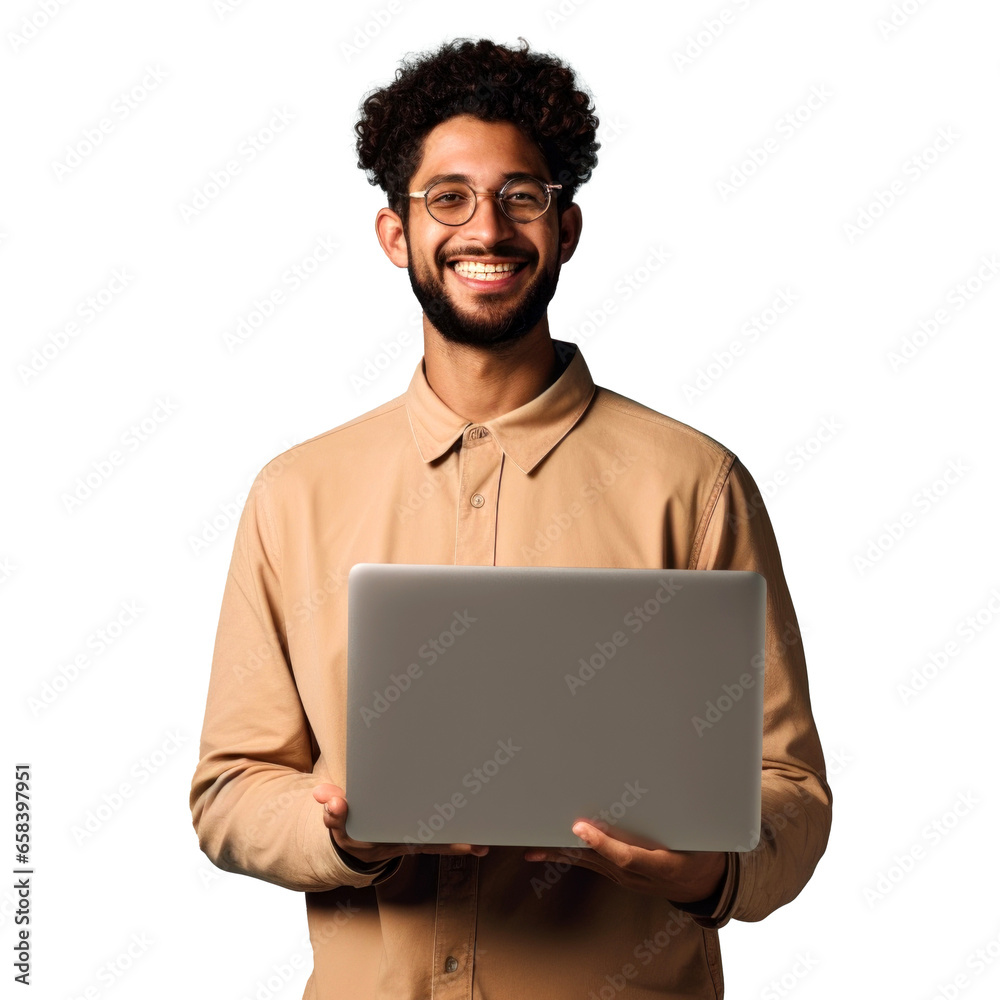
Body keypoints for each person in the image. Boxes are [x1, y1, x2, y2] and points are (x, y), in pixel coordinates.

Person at [190, 37, 832, 999]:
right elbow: (230, 789)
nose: (484, 227)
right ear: (394, 233)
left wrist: (715, 872)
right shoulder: (296, 493)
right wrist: (338, 834)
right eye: (447, 197)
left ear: (566, 228)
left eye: (520, 196)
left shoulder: (694, 486)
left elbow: (790, 791)